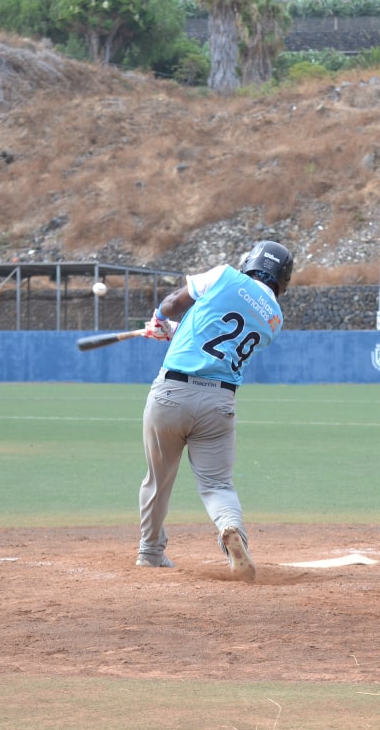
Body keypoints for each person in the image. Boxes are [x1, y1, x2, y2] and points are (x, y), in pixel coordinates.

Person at [136, 240, 292, 582]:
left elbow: (176, 302)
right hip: (219, 403)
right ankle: (232, 530)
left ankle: (150, 552)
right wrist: (173, 332)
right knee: (218, 484)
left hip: (172, 395)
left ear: (250, 261)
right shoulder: (275, 317)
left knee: (158, 481)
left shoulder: (225, 275)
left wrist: (160, 319)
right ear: (283, 278)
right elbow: (220, 337)